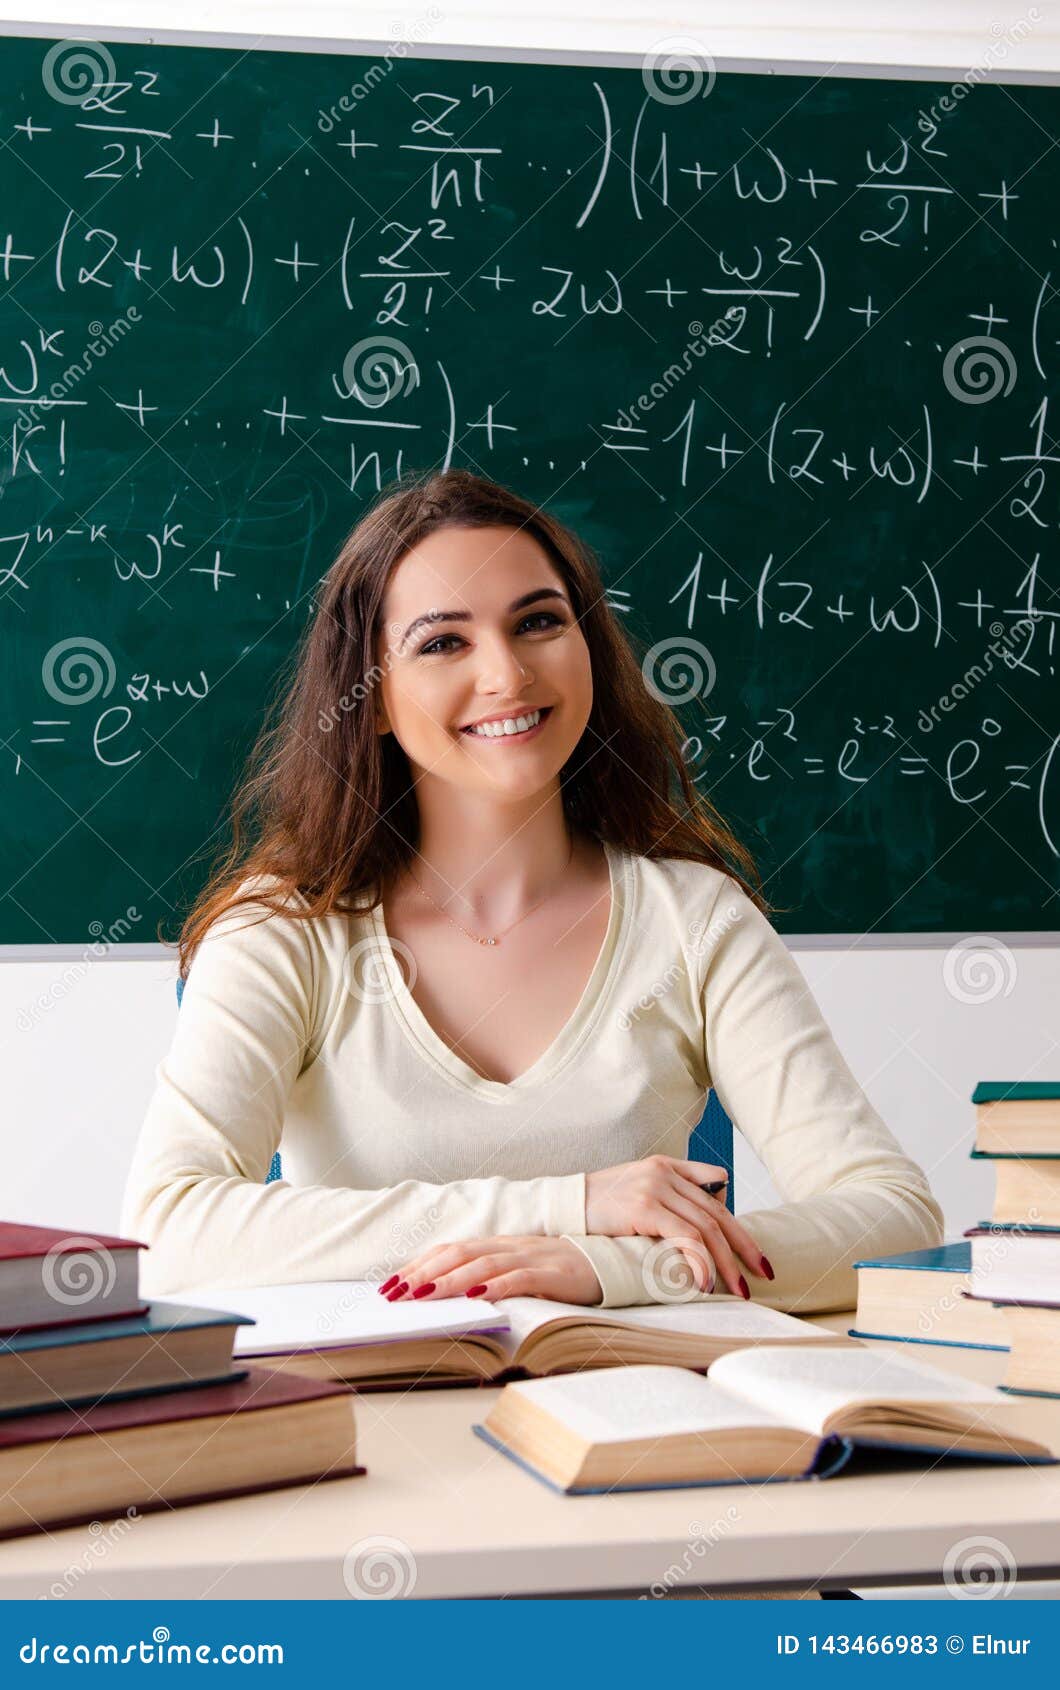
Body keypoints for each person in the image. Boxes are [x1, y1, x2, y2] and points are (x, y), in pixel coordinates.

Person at [120, 467, 944, 1310]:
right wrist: (570, 1204)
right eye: (443, 642)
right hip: (372, 1422)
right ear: (368, 700)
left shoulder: (696, 920)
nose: (508, 675)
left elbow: (895, 1221)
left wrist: (615, 1269)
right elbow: (169, 1232)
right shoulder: (285, 931)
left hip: (639, 1417)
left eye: (539, 622)